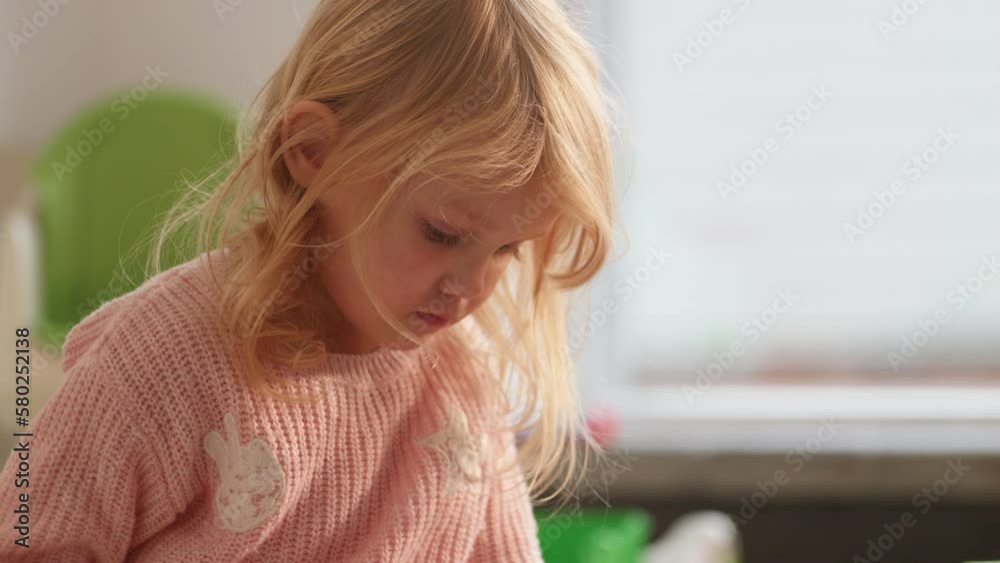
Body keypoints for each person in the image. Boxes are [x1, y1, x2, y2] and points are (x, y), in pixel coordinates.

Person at [0, 0, 620, 560]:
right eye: (442, 233)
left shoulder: (463, 373)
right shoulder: (157, 357)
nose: (470, 287)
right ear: (315, 151)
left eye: (506, 250)